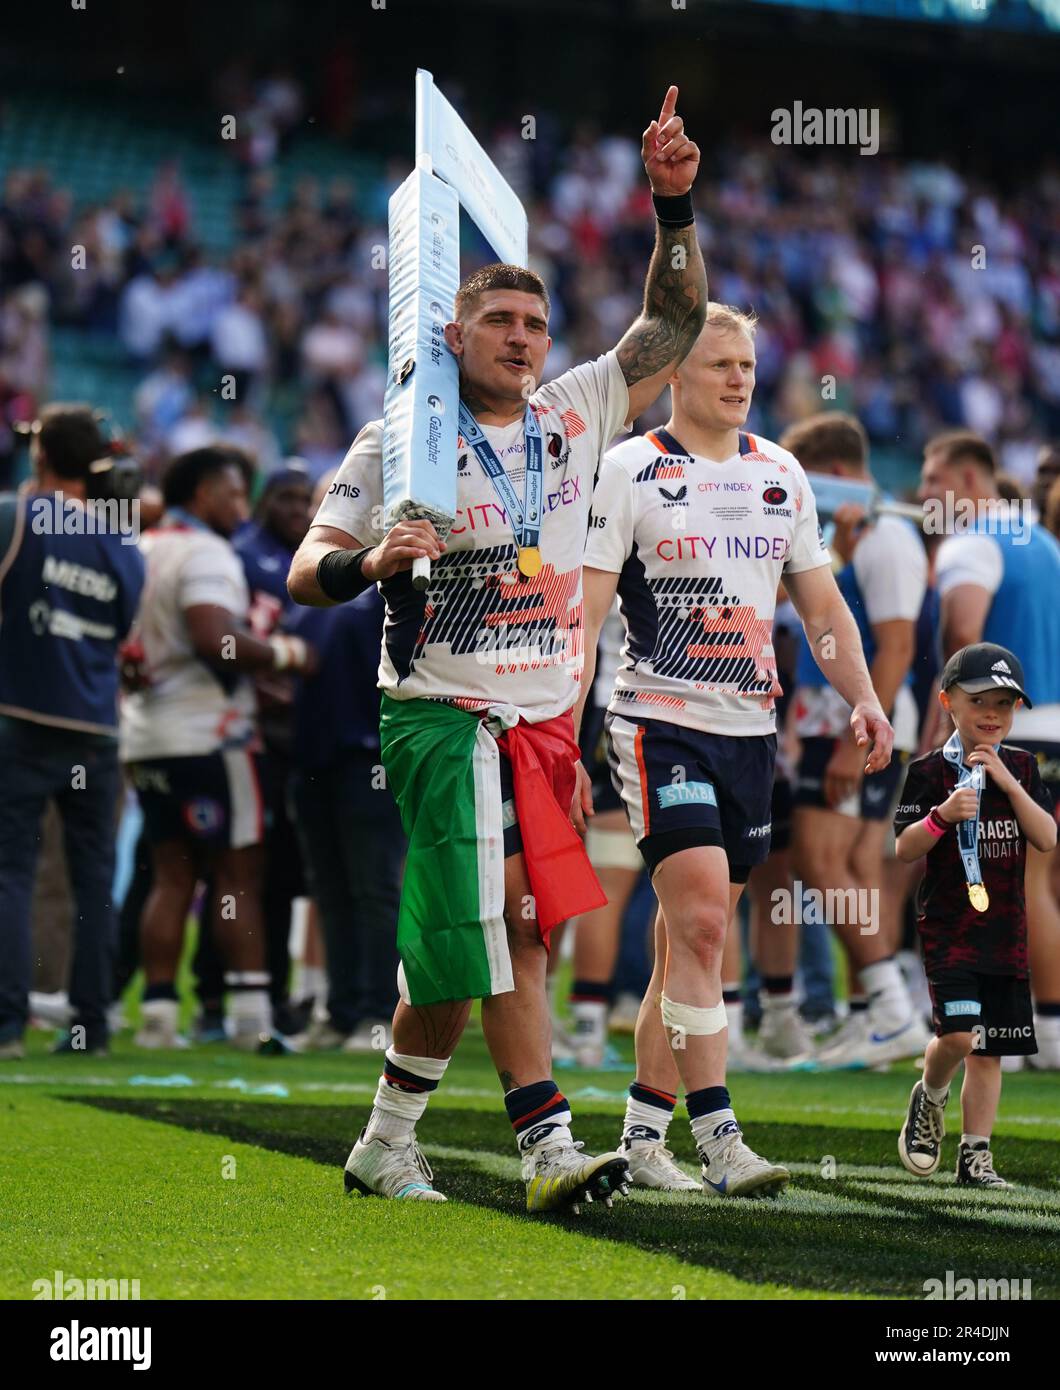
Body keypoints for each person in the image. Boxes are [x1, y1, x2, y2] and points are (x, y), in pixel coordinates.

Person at [288, 86, 707, 1211]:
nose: (523, 340)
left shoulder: (575, 411)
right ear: (451, 332)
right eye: (499, 324)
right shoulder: (400, 438)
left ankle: (420, 1142)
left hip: (543, 720)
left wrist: (674, 205)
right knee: (470, 931)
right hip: (439, 714)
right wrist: (374, 563)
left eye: (534, 325)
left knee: (515, 932)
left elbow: (667, 327)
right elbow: (302, 569)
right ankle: (529, 1143)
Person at [578, 307, 894, 1196]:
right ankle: (720, 1136)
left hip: (750, 734)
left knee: (692, 935)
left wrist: (864, 699)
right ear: (674, 371)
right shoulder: (629, 467)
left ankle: (643, 1139)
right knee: (710, 923)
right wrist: (565, 734)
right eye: (721, 363)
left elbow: (824, 612)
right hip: (657, 722)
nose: (739, 378)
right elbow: (589, 610)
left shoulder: (781, 473)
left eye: (748, 364)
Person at [120, 445, 314, 1051]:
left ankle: (156, 1014)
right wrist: (288, 654)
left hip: (147, 733)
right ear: (202, 495)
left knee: (172, 877)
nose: (240, 505)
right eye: (231, 494)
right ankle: (253, 1013)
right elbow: (215, 639)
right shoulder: (204, 551)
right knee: (238, 873)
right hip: (210, 733)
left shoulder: (143, 546)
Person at [784, 412, 929, 1068]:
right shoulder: (851, 538)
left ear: (835, 475)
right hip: (836, 719)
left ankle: (893, 1011)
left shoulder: (888, 539)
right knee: (855, 870)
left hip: (851, 727)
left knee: (818, 862)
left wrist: (853, 737)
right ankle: (873, 1016)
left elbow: (897, 645)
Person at [0, 404, 144, 1058]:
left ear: (40, 458)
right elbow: (120, 635)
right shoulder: (123, 541)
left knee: (11, 871)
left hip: (20, 716)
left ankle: (6, 1024)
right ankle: (91, 1025)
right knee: (94, 880)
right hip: (97, 729)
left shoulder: (16, 515)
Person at [919, 431, 1060, 1068]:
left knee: (1024, 885)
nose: (924, 495)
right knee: (1049, 878)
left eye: (933, 479)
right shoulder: (1048, 546)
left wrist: (938, 727)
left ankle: (1047, 1030)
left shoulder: (973, 543)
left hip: (1014, 734)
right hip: (1055, 724)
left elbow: (962, 638)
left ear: (971, 482)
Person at [894, 643, 1055, 1187]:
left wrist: (1007, 784)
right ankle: (931, 1094)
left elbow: (1047, 837)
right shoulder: (928, 772)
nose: (993, 714)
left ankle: (975, 1156)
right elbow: (905, 848)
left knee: (991, 1052)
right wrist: (941, 817)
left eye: (1005, 704)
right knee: (960, 1036)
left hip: (1006, 933)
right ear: (948, 702)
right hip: (950, 930)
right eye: (979, 699)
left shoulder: (1024, 766)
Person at [285, 471, 403, 1052]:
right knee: (330, 888)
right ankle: (340, 1009)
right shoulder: (313, 579)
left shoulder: (384, 582)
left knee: (374, 888)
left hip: (367, 758)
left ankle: (376, 1012)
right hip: (313, 759)